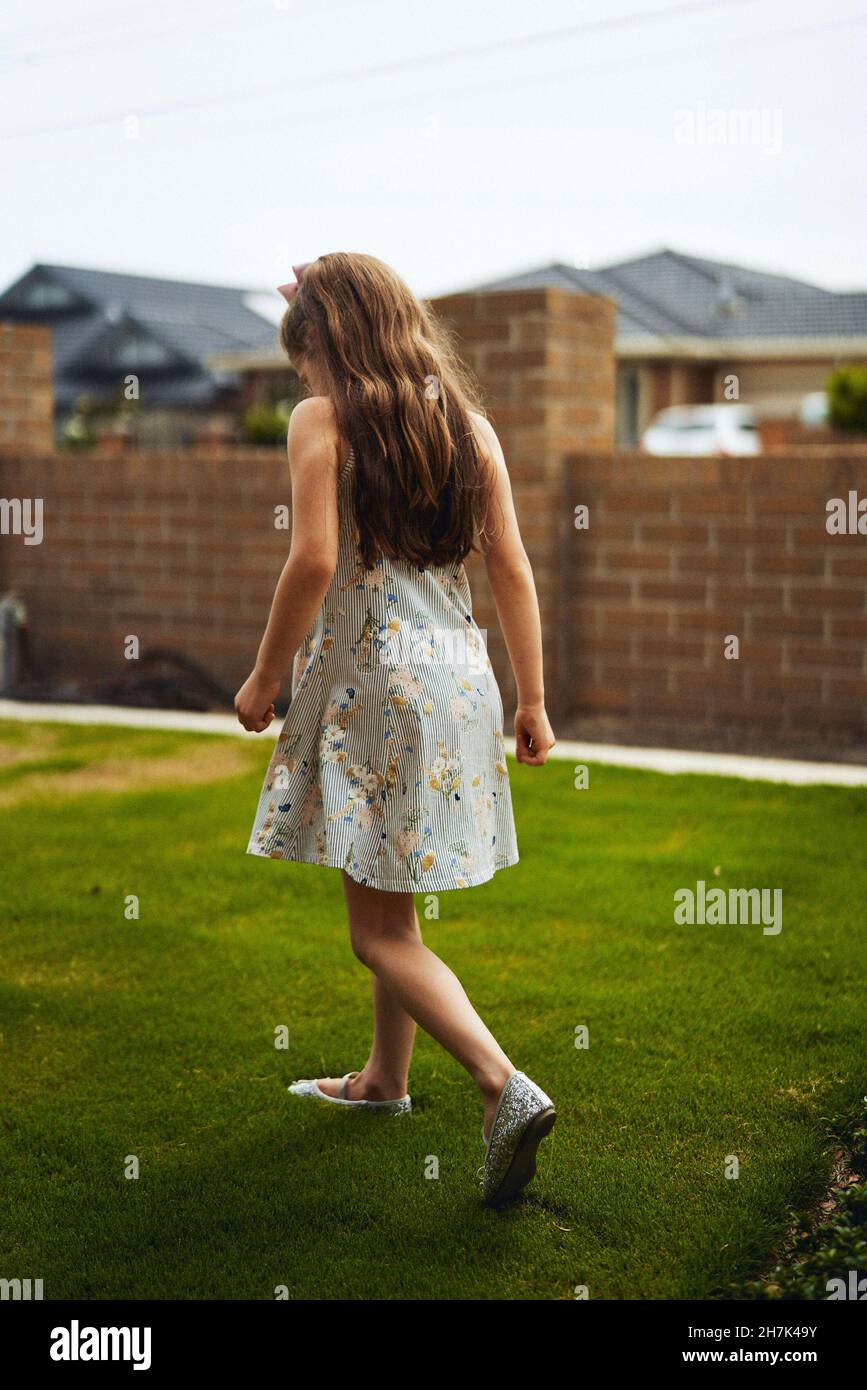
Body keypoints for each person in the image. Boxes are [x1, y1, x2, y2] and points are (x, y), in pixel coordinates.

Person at [235, 253, 556, 1206]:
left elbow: (312, 562)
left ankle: (504, 1087)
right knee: (394, 892)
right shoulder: (470, 429)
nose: (307, 385)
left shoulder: (324, 422)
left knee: (375, 934)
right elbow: (512, 570)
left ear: (328, 347)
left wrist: (261, 679)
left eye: (307, 365)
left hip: (374, 687)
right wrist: (532, 701)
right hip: (461, 692)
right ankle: (384, 1081)